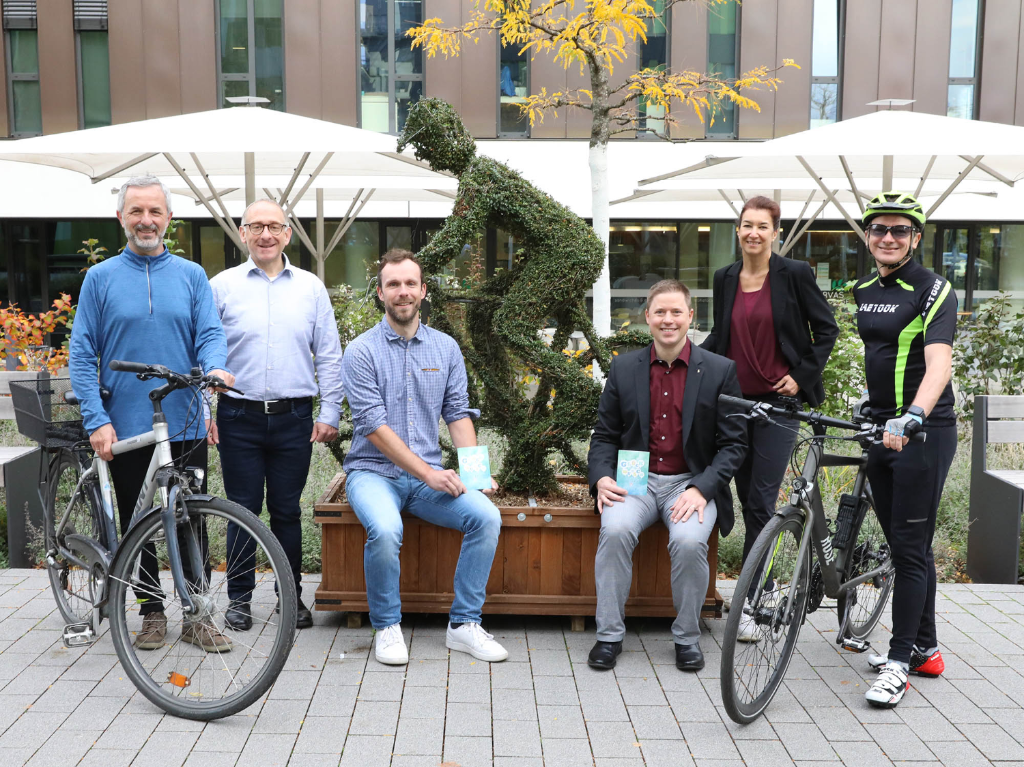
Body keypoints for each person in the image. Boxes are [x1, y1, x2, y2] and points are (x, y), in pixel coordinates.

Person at [69, 175, 235, 653]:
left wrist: (216, 367)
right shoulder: (100, 278)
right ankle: (150, 611)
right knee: (137, 521)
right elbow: (81, 353)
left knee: (190, 518)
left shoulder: (191, 275)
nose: (146, 220)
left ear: (168, 218)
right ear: (121, 217)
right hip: (124, 424)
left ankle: (198, 614)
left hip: (184, 419)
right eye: (137, 211)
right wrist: (97, 420)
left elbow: (210, 333)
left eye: (155, 211)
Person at [341, 249, 508, 666]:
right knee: (385, 529)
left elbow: (457, 413)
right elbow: (374, 427)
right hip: (373, 473)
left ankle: (464, 624)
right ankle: (387, 627)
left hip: (425, 479)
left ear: (423, 291)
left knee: (486, 517)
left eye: (410, 284)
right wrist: (430, 474)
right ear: (380, 293)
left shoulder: (446, 348)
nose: (403, 292)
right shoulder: (360, 352)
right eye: (393, 284)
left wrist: (476, 473)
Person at [587, 280, 746, 672]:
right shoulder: (624, 367)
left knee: (690, 542)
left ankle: (687, 638)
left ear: (690, 316)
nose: (668, 319)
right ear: (648, 317)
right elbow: (604, 435)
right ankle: (609, 635)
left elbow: (734, 445)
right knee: (615, 531)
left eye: (676, 311)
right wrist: (601, 478)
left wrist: (702, 488)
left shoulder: (720, 370)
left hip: (689, 483)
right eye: (660, 312)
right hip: (633, 482)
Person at [701, 196, 838, 642]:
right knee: (742, 497)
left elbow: (827, 329)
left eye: (763, 226)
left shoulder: (794, 274)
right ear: (737, 230)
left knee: (761, 501)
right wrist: (682, 361)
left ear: (775, 233)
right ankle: (761, 583)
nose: (754, 233)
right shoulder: (725, 278)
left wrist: (801, 376)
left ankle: (752, 601)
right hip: (734, 403)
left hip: (780, 406)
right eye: (747, 225)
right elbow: (721, 336)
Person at [209, 199, 344, 632]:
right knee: (242, 510)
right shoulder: (222, 287)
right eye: (256, 226)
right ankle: (239, 600)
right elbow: (203, 353)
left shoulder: (311, 288)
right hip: (237, 416)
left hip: (293, 419)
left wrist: (330, 412)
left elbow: (329, 354)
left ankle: (291, 596)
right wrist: (205, 411)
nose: (265, 234)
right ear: (243, 233)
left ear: (288, 234)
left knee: (286, 510)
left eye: (274, 226)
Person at [852, 192, 958, 708]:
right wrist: (867, 407)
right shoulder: (863, 289)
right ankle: (926, 649)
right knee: (904, 546)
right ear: (867, 236)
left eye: (899, 230)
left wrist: (913, 415)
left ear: (915, 237)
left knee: (910, 547)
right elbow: (879, 355)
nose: (888, 238)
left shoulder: (934, 289)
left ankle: (898, 663)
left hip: (923, 431)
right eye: (879, 229)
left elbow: (939, 362)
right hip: (881, 429)